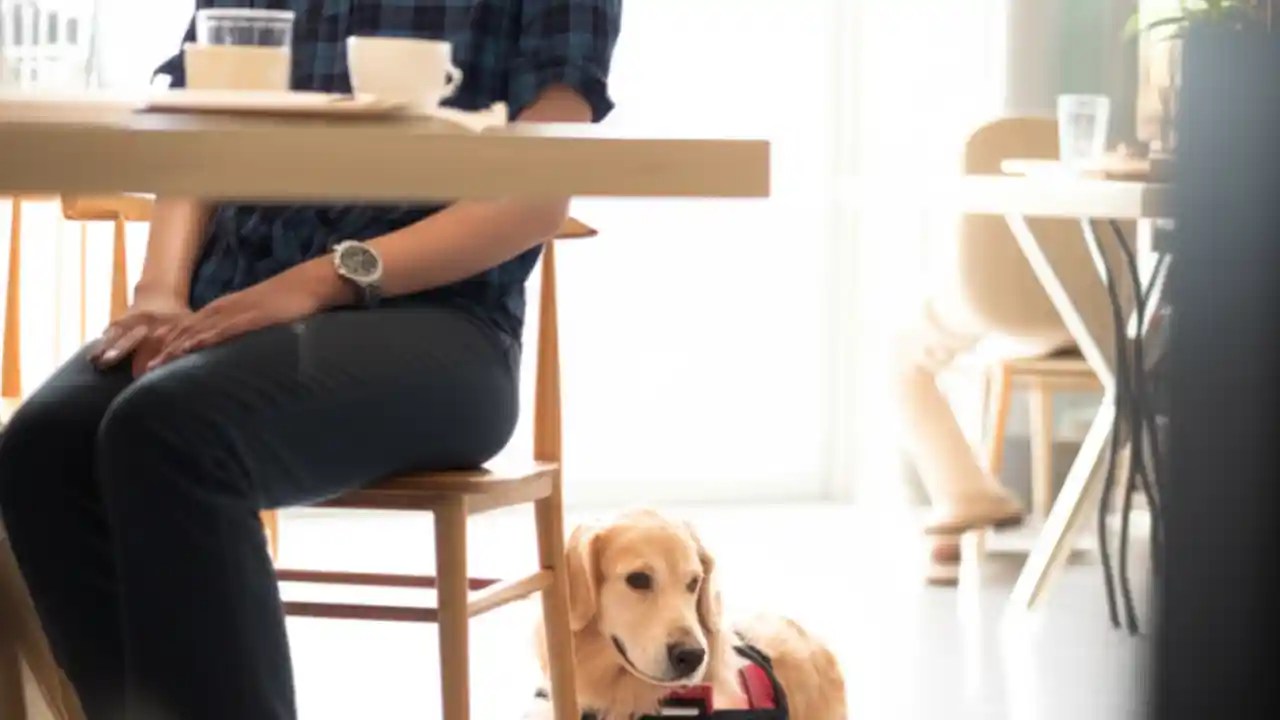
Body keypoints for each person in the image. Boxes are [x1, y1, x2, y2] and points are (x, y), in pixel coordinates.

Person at [0, 1, 621, 718]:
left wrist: (317, 282)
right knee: (44, 451)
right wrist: (162, 290)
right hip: (225, 312)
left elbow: (536, 196)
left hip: (442, 325)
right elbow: (196, 108)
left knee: (172, 429)